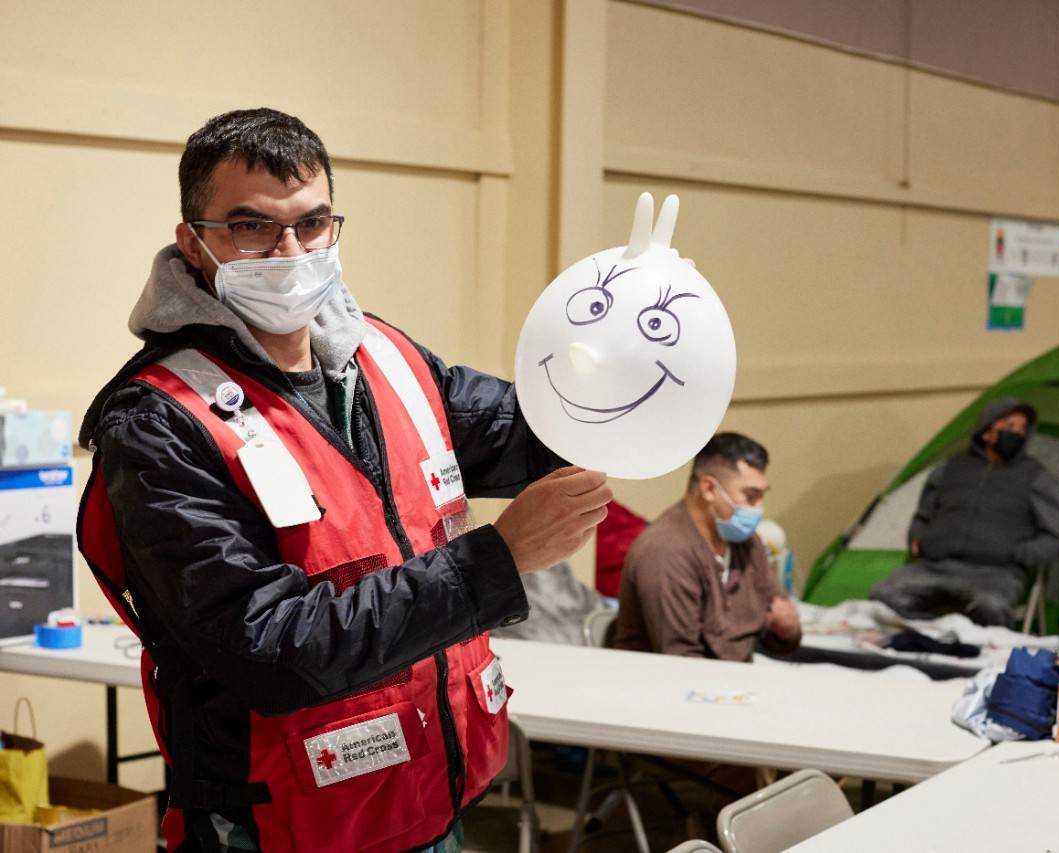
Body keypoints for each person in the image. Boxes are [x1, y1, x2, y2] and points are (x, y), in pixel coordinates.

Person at [75, 108, 612, 853]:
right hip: (278, 830)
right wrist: (500, 558)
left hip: (430, 807)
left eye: (312, 222)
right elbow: (268, 646)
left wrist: (632, 374)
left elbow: (529, 430)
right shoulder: (160, 421)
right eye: (252, 226)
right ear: (193, 243)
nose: (290, 251)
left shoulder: (385, 358)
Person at [870, 398, 1059, 627]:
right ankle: (935, 634)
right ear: (986, 432)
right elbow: (923, 515)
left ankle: (951, 637)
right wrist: (918, 538)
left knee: (991, 609)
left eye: (1023, 429)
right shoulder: (950, 468)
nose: (1017, 433)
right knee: (882, 596)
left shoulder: (1037, 477)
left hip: (994, 575)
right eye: (1010, 425)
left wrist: (1016, 553)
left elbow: (1056, 537)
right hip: (934, 567)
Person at [612, 432, 801, 660]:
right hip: (669, 679)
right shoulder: (665, 550)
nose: (759, 508)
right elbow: (681, 658)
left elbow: (775, 629)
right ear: (709, 489)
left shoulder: (748, 544)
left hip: (732, 675)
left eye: (762, 496)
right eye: (751, 496)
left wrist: (787, 630)